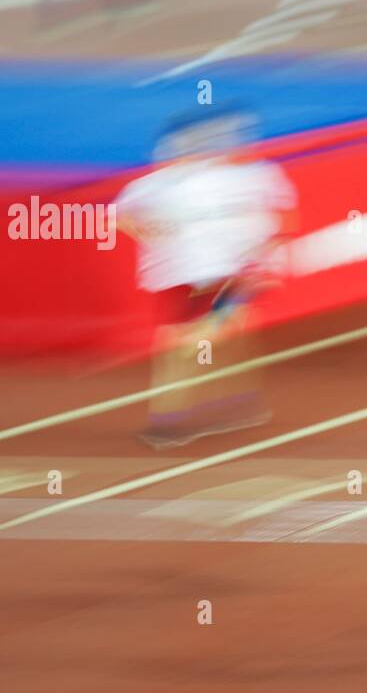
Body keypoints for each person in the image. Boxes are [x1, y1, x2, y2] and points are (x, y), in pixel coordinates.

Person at [114, 105, 297, 449]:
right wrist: (151, 234)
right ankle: (236, 403)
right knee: (218, 335)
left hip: (222, 275)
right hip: (184, 277)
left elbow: (279, 220)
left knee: (185, 345)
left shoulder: (242, 178)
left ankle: (171, 422)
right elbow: (121, 216)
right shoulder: (161, 185)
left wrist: (263, 257)